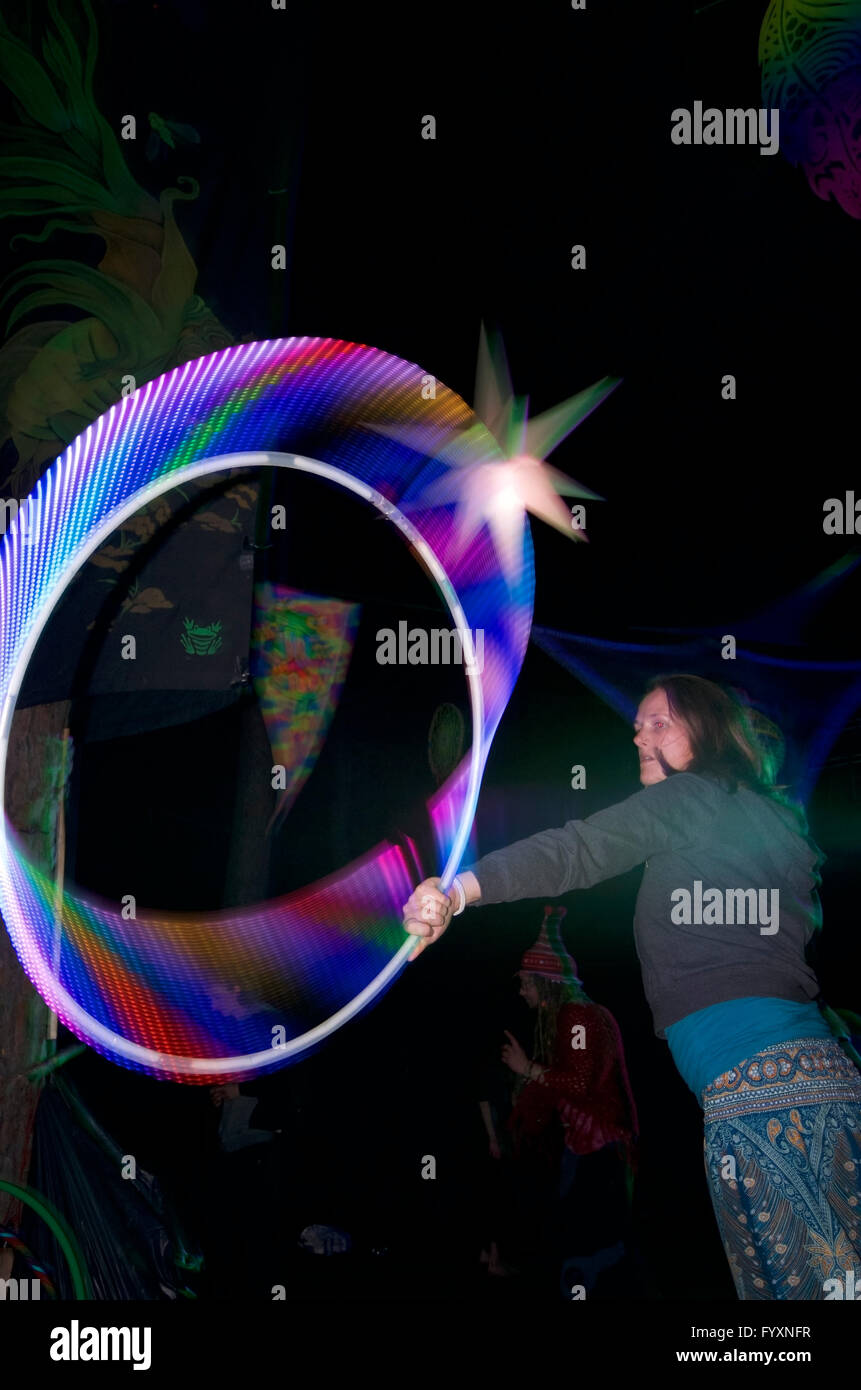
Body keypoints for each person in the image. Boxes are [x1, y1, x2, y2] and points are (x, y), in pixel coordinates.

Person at [402, 674, 861, 1300]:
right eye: (638, 722)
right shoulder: (775, 822)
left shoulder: (693, 797)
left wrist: (459, 891)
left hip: (765, 1090)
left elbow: (578, 850)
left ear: (707, 731)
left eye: (659, 721)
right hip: (814, 1083)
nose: (638, 732)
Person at [496, 905, 638, 1296]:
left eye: (526, 982)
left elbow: (577, 1081)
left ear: (546, 981)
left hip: (600, 1147)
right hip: (589, 1147)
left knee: (592, 1249)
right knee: (581, 1242)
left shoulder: (576, 1016)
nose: (522, 991)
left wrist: (528, 1069)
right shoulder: (572, 1017)